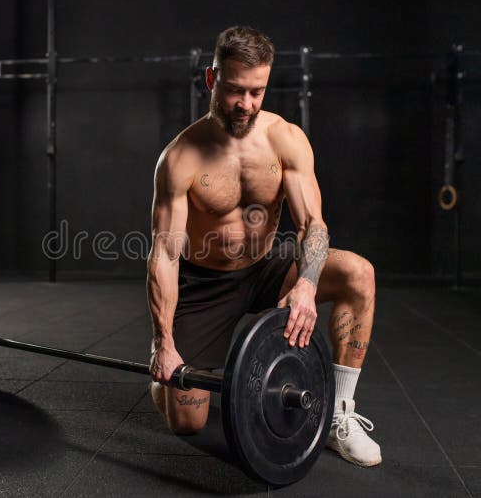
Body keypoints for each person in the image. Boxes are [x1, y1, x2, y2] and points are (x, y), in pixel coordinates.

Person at [146, 25, 381, 467]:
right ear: (212, 79)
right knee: (187, 421)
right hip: (205, 282)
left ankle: (338, 416)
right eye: (236, 90)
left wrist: (307, 284)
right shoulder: (181, 158)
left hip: (267, 266)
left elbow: (313, 225)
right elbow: (165, 254)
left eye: (258, 92)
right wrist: (164, 342)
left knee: (358, 273)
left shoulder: (284, 140)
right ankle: (166, 362)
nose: (246, 104)